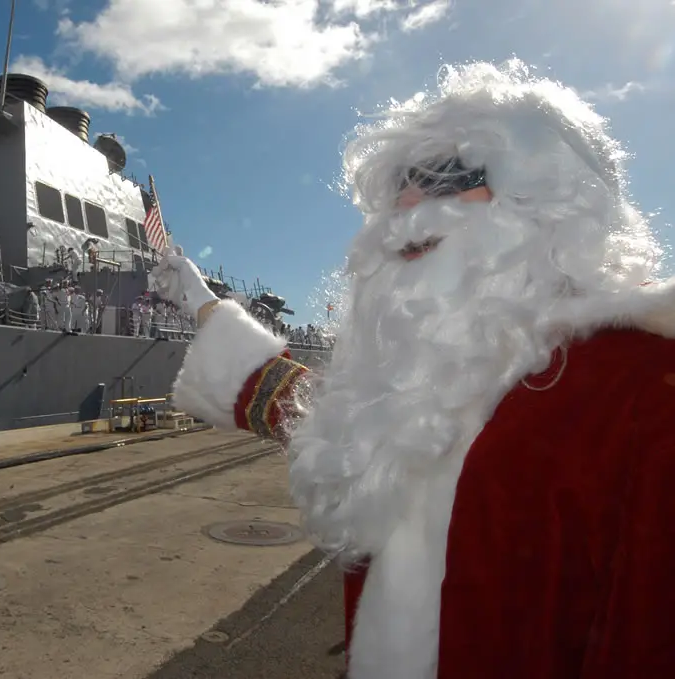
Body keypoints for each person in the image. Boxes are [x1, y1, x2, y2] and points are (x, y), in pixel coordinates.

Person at [149, 60, 675, 679]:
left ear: (550, 195)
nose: (407, 204)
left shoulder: (643, 391)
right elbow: (327, 420)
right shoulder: (424, 384)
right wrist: (207, 306)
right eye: (401, 182)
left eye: (444, 175)